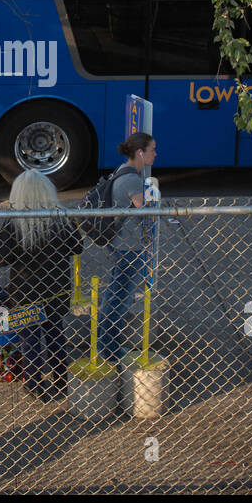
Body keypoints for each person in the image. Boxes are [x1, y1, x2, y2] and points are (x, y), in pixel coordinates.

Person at [0, 170, 83, 401]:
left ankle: (34, 383)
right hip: (57, 287)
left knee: (30, 338)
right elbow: (77, 247)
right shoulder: (60, 217)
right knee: (55, 332)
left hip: (25, 290)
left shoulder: (14, 222)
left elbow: (2, 259)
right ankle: (61, 380)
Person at [99, 132, 156, 363]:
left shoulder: (121, 172)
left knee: (116, 294)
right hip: (129, 247)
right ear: (140, 153)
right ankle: (110, 350)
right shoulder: (132, 179)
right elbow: (144, 208)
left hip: (121, 244)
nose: (155, 154)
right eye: (152, 149)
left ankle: (108, 346)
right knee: (119, 298)